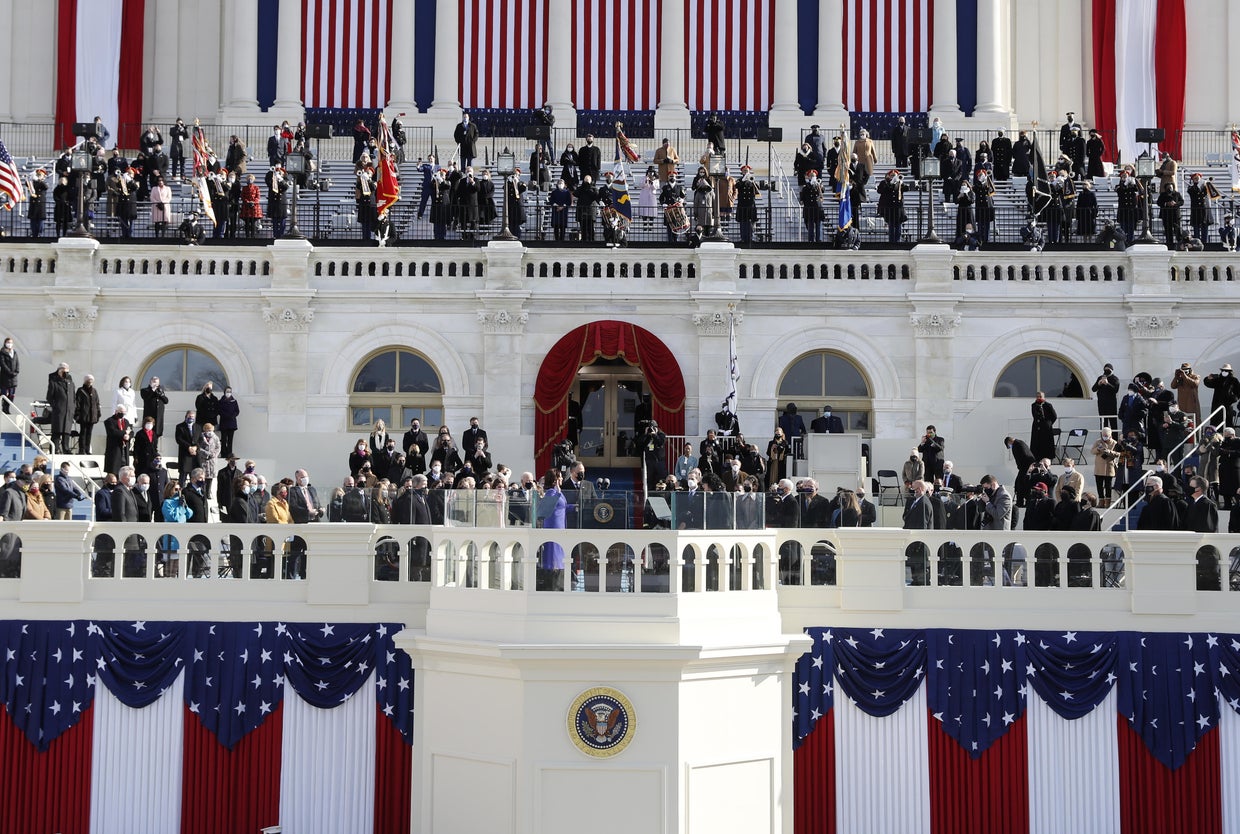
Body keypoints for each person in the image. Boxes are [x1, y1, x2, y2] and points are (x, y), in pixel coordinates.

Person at [535, 468, 568, 590]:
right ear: (555, 480)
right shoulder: (550, 493)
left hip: (560, 529)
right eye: (560, 477)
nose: (562, 479)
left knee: (559, 556)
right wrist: (558, 493)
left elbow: (563, 506)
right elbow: (545, 510)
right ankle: (552, 583)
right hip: (553, 529)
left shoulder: (557, 492)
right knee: (553, 556)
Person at [46, 362, 74, 454]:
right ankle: (55, 449)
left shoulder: (70, 383)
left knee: (66, 431)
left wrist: (73, 407)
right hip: (59, 410)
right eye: (64, 371)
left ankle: (66, 448)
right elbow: (49, 397)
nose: (66, 373)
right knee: (57, 431)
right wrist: (56, 406)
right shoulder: (54, 382)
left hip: (69, 410)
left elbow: (73, 397)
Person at [70, 373, 100, 455]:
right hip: (84, 416)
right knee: (83, 433)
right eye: (89, 380)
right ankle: (82, 449)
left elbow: (97, 403)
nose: (90, 382)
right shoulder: (81, 390)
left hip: (92, 416)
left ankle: (87, 449)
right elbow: (77, 403)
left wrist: (98, 414)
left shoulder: (94, 391)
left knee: (89, 433)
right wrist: (77, 414)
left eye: (91, 380)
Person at [1203, 363, 1240, 428]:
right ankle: (1215, 433)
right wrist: (1208, 378)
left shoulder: (1234, 380)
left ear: (1229, 372)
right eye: (1223, 370)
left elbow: (1238, 392)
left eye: (1226, 371)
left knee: (1227, 422)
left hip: (1227, 405)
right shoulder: (1218, 379)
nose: (1224, 372)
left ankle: (1227, 433)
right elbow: (1208, 384)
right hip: (1216, 404)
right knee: (1215, 422)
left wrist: (1232, 399)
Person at [1091, 427, 1120, 507]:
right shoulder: (1098, 442)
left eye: (1106, 436)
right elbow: (1092, 451)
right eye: (1103, 435)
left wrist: (1109, 452)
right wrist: (1098, 449)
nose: (1105, 437)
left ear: (1110, 435)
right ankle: (1101, 501)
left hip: (1109, 468)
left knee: (1108, 486)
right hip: (1099, 468)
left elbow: (1118, 453)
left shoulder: (1114, 443)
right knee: (1099, 486)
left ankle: (1108, 502)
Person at [876, 169, 904, 244]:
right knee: (891, 225)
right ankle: (891, 242)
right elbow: (880, 190)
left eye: (895, 175)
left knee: (898, 226)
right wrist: (891, 182)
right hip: (889, 208)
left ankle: (897, 241)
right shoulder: (884, 182)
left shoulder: (899, 183)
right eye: (892, 175)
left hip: (898, 208)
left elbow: (906, 189)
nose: (893, 177)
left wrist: (901, 183)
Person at [1030, 392, 1058, 461]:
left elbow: (1054, 416)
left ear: (1043, 397)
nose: (1039, 398)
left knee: (1046, 445)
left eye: (1040, 396)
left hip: (1046, 430)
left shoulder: (1048, 405)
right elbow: (1035, 415)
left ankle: (1046, 460)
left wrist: (1048, 424)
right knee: (1036, 446)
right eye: (1037, 396)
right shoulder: (1034, 405)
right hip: (1037, 429)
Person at [1157, 180, 1184, 249]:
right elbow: (1158, 202)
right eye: (1168, 187)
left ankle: (1180, 244)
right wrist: (1166, 203)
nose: (1170, 189)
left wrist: (1175, 203)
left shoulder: (1177, 194)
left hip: (1175, 215)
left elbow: (1182, 201)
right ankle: (1169, 245)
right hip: (1166, 215)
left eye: (1171, 187)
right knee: (1168, 231)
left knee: (1177, 230)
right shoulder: (1163, 195)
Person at [217, 387, 240, 458]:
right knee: (223, 440)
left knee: (230, 440)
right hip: (224, 423)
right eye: (227, 391)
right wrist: (226, 415)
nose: (228, 393)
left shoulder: (234, 401)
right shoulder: (220, 401)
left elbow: (237, 411)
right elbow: (219, 410)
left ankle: (230, 454)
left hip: (232, 424)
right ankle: (223, 454)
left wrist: (232, 416)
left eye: (230, 391)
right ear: (224, 392)